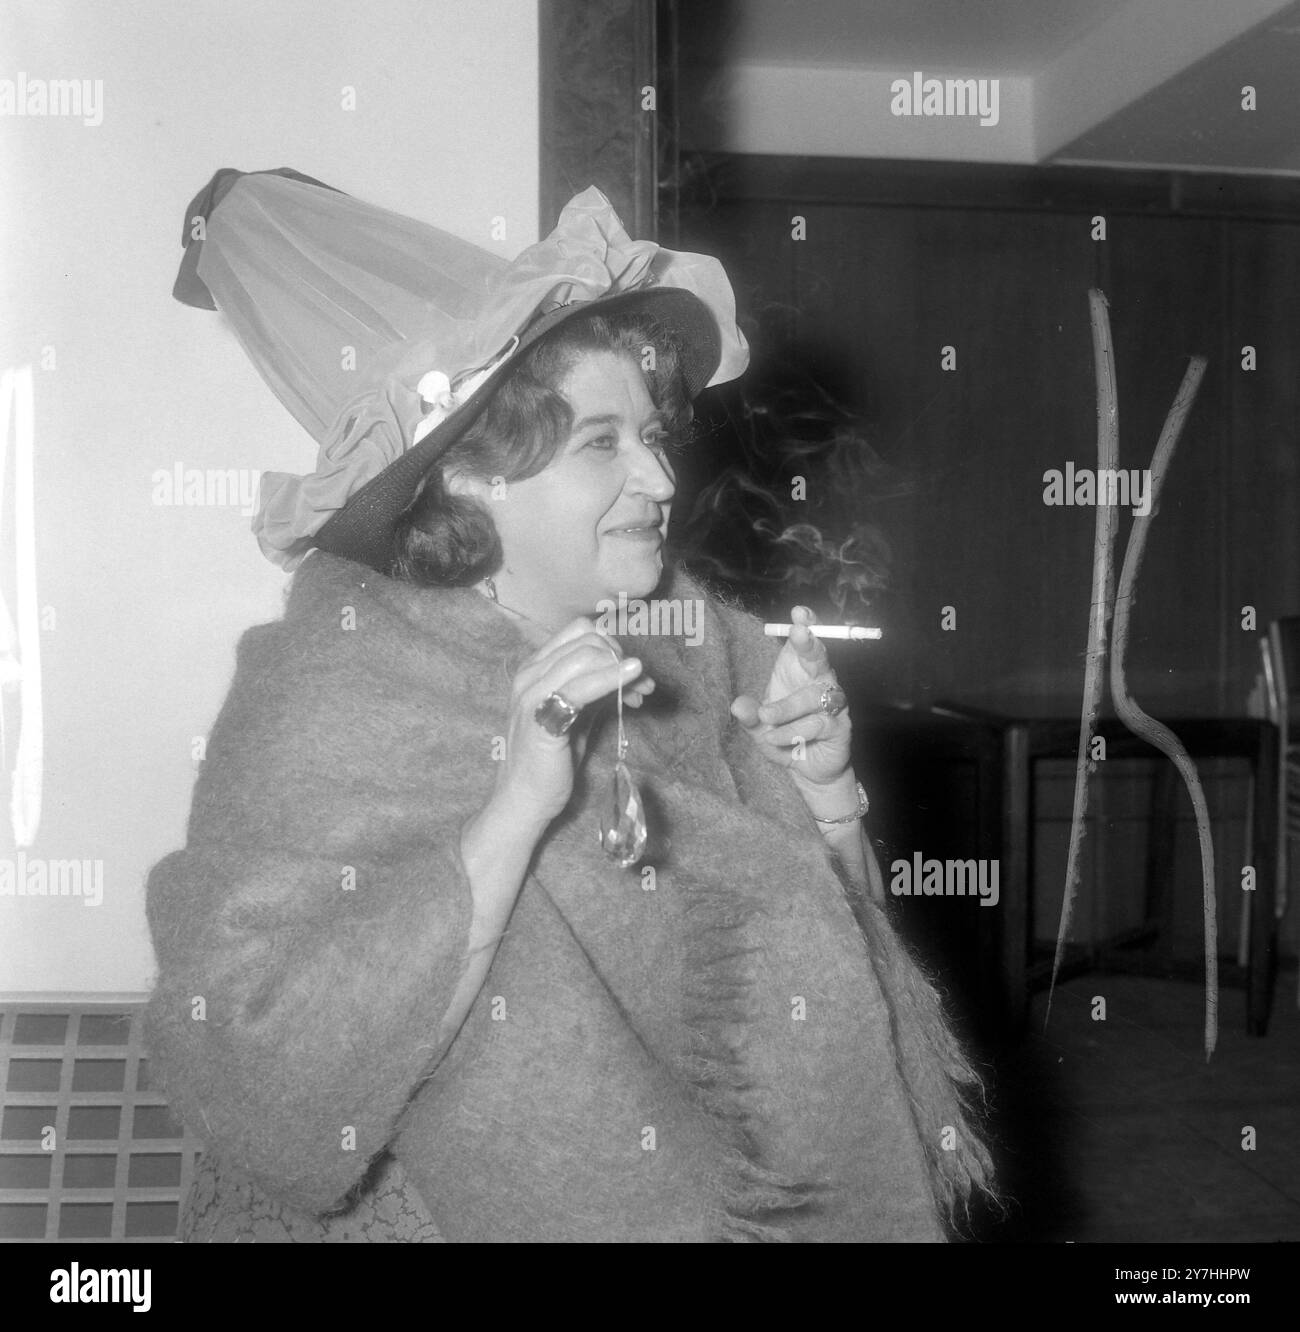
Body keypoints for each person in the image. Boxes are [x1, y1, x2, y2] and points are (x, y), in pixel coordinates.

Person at [145, 169, 994, 1242]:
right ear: (466, 476)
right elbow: (249, 1065)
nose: (660, 478)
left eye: (654, 436)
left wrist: (826, 789)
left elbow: (838, 958)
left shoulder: (690, 635)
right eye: (603, 443)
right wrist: (512, 813)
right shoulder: (331, 689)